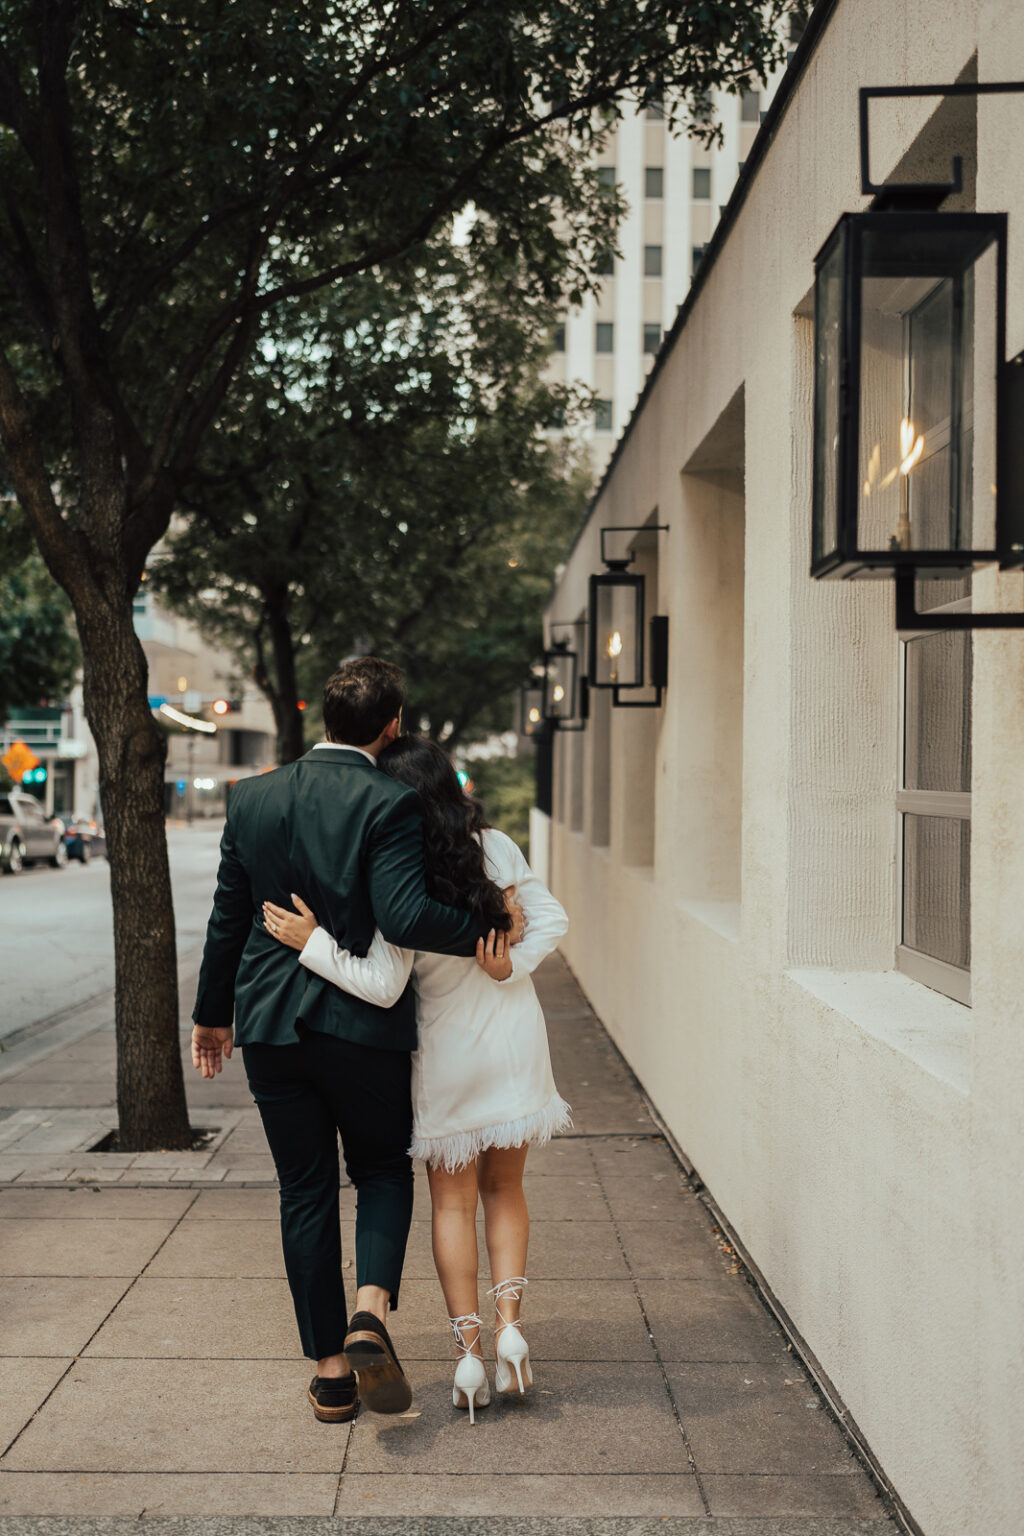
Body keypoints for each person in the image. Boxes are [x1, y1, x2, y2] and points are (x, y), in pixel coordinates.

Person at [191, 658, 515, 1424]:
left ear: (326, 720)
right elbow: (403, 918)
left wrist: (212, 1015)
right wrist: (486, 923)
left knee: (303, 1190)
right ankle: (369, 1309)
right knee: (378, 1168)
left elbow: (227, 917)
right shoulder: (391, 801)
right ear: (392, 724)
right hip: (360, 1028)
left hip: (270, 1023)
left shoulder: (253, 798)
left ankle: (332, 1374)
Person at [263, 734, 570, 1425]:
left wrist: (311, 942)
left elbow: (379, 984)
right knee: (507, 1188)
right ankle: (512, 1326)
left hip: (449, 1055)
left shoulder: (398, 869)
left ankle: (467, 1357)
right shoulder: (494, 847)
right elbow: (553, 919)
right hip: (516, 1038)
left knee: (454, 1205)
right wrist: (508, 965)